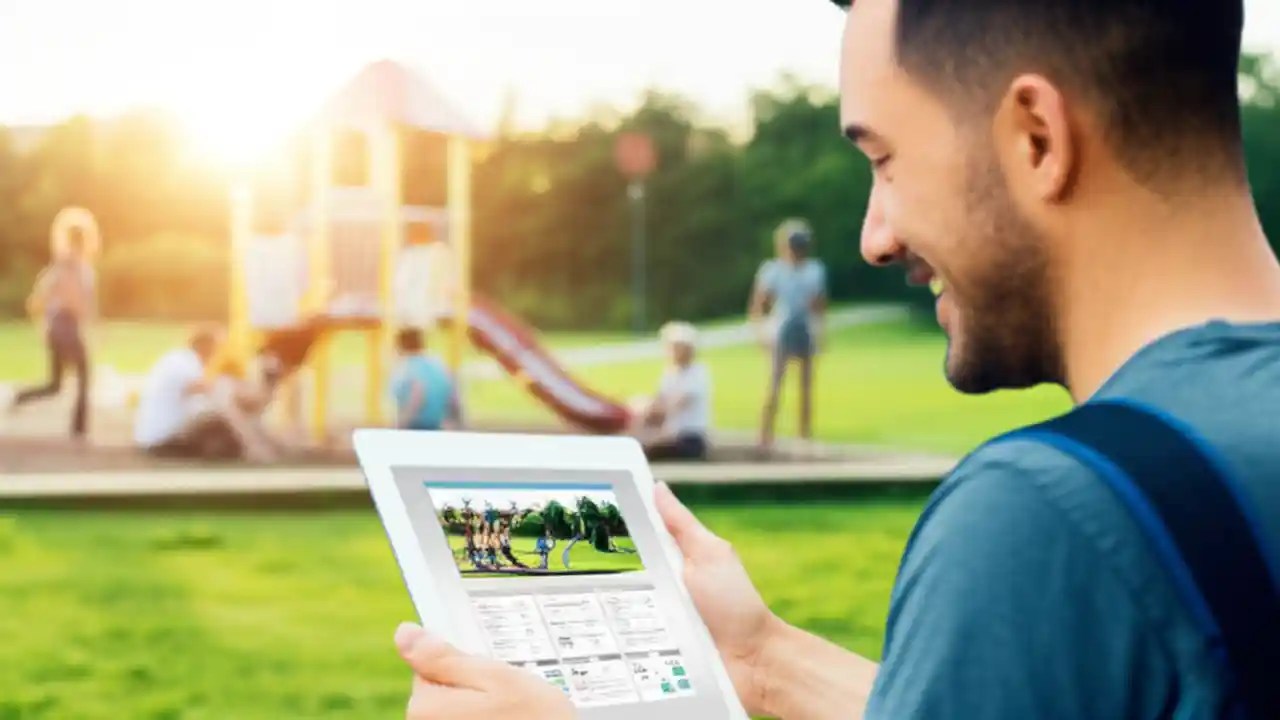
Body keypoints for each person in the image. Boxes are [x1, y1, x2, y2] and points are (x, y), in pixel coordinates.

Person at [390, 0, 1280, 718]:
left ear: (1037, 138)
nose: (875, 237)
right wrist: (759, 658)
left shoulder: (1056, 517)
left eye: (885, 162)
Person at [10, 226, 98, 440]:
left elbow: (42, 296)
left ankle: (21, 397)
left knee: (56, 384)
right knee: (84, 374)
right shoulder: (71, 265)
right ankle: (79, 429)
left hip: (62, 325)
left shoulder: (70, 265)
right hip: (65, 324)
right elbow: (73, 299)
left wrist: (45, 323)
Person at [750, 218, 828, 451]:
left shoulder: (813, 270)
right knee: (775, 382)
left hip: (802, 325)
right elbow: (760, 302)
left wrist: (820, 331)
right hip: (782, 326)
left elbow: (818, 304)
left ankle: (803, 435)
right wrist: (760, 330)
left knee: (805, 385)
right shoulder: (773, 269)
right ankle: (765, 434)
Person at [134, 326, 242, 461]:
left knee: (213, 422)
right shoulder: (187, 361)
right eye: (215, 348)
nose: (216, 355)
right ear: (205, 346)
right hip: (163, 439)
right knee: (221, 425)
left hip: (151, 437)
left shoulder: (175, 358)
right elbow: (203, 388)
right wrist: (231, 384)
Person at [633, 321, 713, 460]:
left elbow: (673, 406)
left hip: (689, 438)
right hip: (672, 435)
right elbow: (658, 403)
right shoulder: (670, 373)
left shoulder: (698, 374)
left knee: (643, 448)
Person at [390, 327, 460, 431]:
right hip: (436, 425)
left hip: (415, 425)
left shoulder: (408, 367)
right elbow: (453, 396)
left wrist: (401, 424)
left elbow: (418, 394)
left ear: (400, 346)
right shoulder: (439, 364)